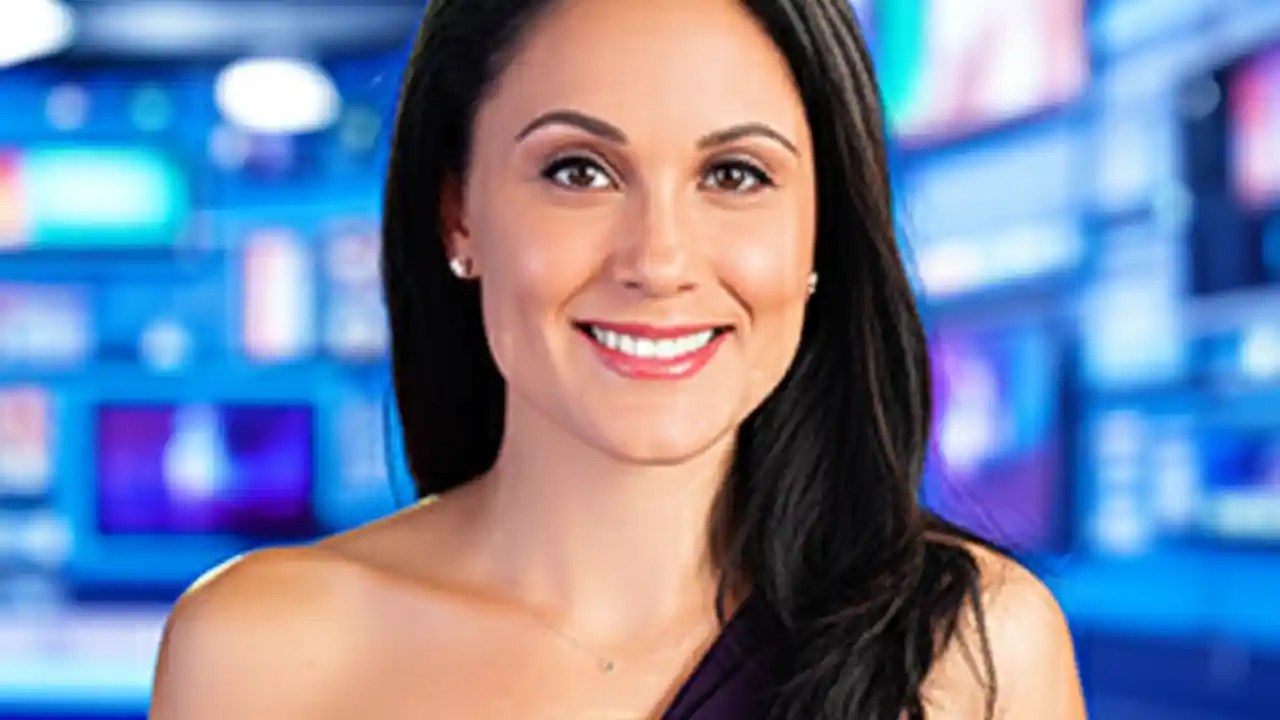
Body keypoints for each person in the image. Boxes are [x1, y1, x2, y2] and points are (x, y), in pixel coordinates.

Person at [148, 0, 1087, 718]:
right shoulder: (260, 655)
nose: (659, 262)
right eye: (578, 172)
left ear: (820, 235)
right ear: (459, 214)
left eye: (735, 176)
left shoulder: (974, 650)